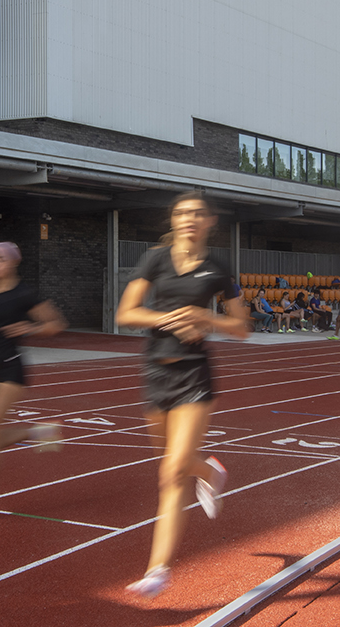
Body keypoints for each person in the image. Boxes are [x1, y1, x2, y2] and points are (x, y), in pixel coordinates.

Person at [115, 190, 251, 600]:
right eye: (180, 213)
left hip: (195, 376)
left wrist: (206, 317)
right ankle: (209, 472)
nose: (188, 219)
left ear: (210, 222)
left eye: (196, 213)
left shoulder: (218, 267)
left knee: (171, 474)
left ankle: (158, 570)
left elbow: (242, 326)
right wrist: (169, 319)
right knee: (176, 462)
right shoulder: (155, 258)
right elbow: (126, 314)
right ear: (172, 220)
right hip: (156, 372)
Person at [0, 241, 66, 524]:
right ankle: (38, 432)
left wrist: (30, 327)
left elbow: (56, 324)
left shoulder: (24, 293)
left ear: (11, 261)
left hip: (11, 368)